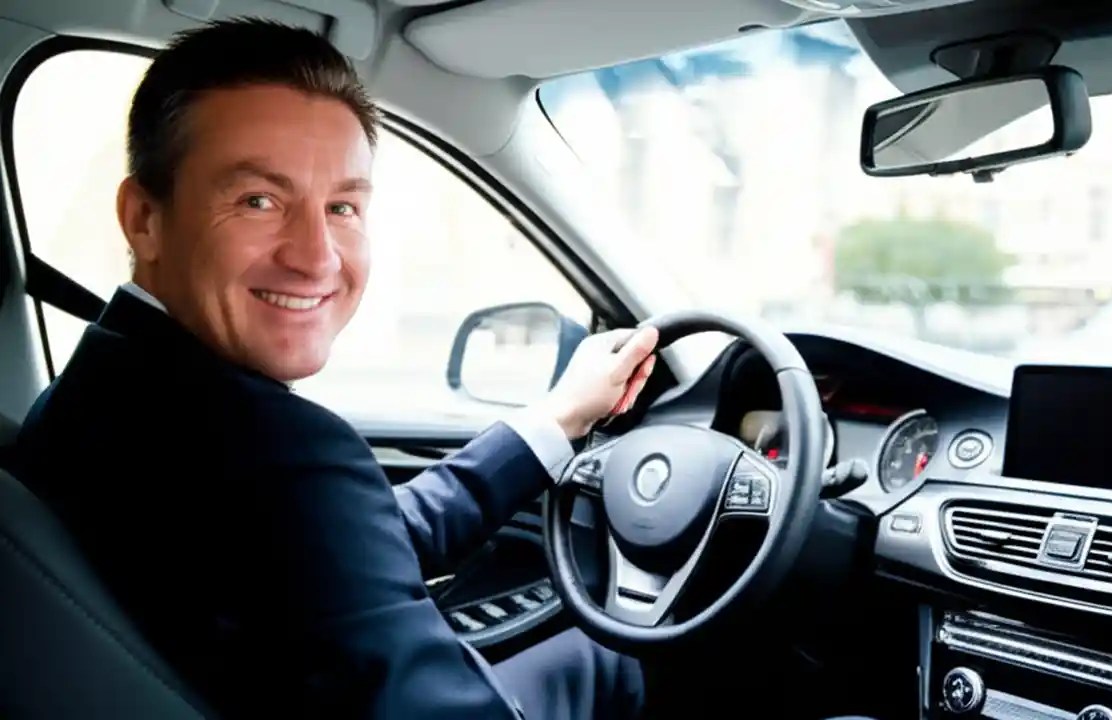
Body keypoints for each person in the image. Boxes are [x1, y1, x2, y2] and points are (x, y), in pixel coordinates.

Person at [13, 17, 656, 720]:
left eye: (343, 206)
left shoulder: (95, 391)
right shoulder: (272, 451)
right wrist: (618, 664)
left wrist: (559, 419)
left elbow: (348, 539)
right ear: (144, 218)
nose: (317, 256)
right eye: (259, 201)